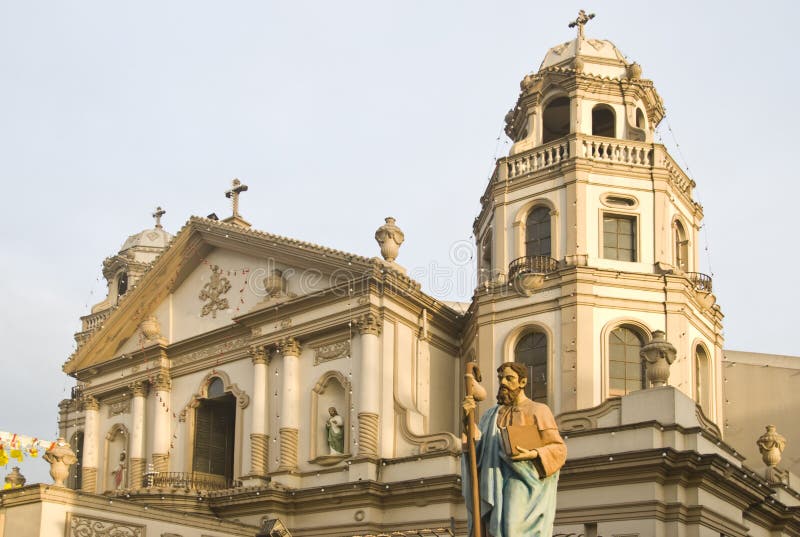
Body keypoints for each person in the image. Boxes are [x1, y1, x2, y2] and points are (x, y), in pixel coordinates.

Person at [462, 362, 567, 537]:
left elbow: (558, 449)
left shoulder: (539, 410)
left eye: (509, 378)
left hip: (524, 481)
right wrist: (467, 420)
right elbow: (477, 449)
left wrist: (533, 454)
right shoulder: (490, 415)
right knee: (497, 528)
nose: (503, 382)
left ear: (522, 382)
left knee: (512, 526)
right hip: (495, 479)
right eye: (500, 378)